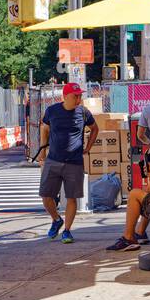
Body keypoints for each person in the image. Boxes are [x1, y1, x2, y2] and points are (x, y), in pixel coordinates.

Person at [39, 82, 99, 243]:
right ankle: (56, 219)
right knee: (46, 195)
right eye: (75, 96)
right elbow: (44, 129)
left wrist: (88, 147)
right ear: (65, 97)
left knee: (72, 198)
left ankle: (67, 230)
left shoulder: (84, 113)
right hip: (53, 160)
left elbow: (95, 129)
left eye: (80, 96)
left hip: (74, 162)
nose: (78, 99)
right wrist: (42, 152)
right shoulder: (52, 111)